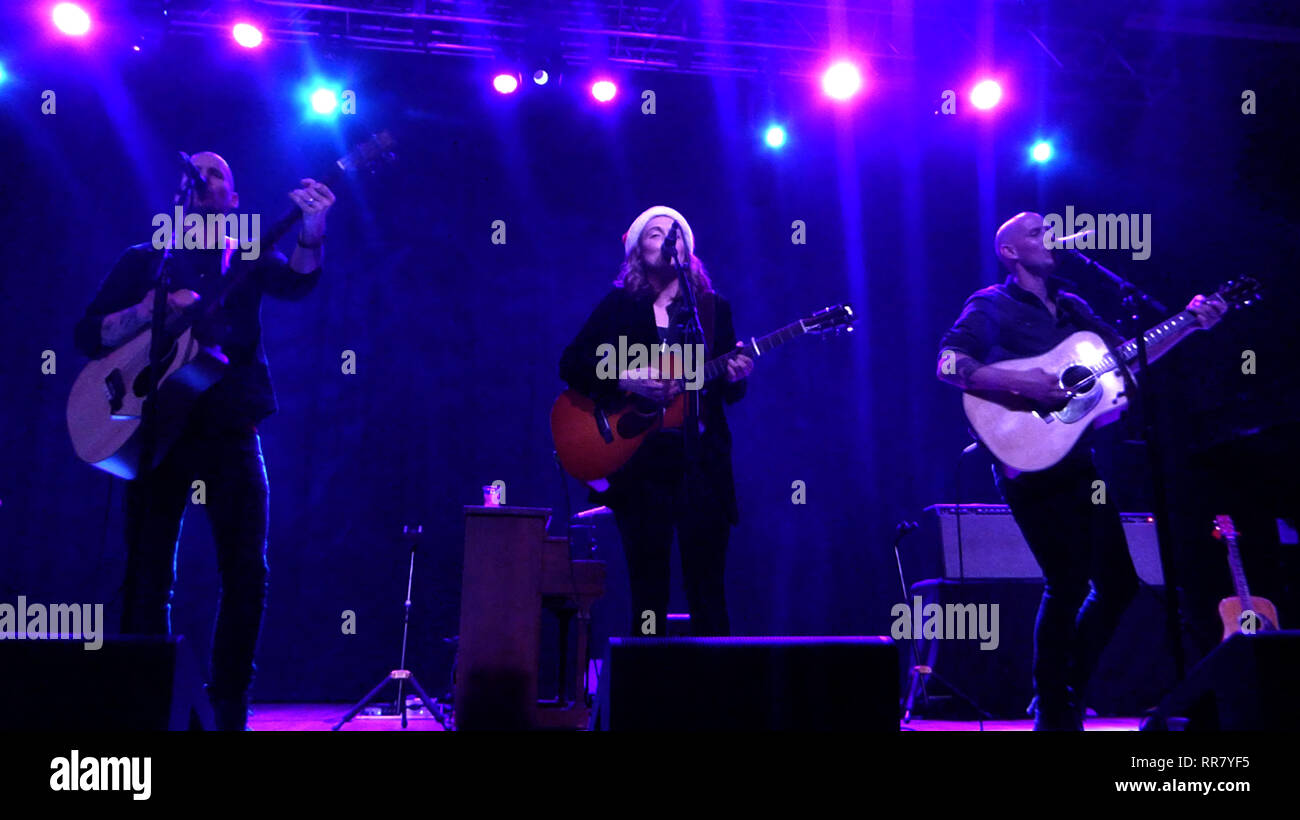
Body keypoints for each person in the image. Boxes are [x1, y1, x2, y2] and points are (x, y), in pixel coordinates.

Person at [73, 151, 334, 730]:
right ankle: (151, 701)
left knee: (245, 570)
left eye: (218, 173)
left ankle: (227, 705)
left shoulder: (246, 255)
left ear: (234, 201)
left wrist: (312, 231)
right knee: (147, 571)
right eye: (196, 173)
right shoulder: (144, 260)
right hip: (153, 429)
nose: (204, 179)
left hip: (230, 427)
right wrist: (148, 309)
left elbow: (297, 282)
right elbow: (87, 334)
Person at [935, 211, 1226, 730]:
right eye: (1036, 232)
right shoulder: (992, 304)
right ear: (1010, 252)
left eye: (1050, 229)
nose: (1049, 237)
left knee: (1119, 585)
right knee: (1067, 582)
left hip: (1078, 460)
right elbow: (949, 364)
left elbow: (1129, 357)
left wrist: (1188, 322)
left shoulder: (1073, 307)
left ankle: (1066, 687)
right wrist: (1026, 386)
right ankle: (1052, 705)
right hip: (1023, 456)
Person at [559, 206, 753, 637]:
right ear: (637, 249)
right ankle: (647, 698)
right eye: (655, 233)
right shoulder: (619, 307)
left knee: (709, 591)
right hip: (642, 467)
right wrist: (627, 377)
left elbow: (724, 392)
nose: (668, 239)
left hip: (702, 464)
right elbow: (571, 363)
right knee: (649, 594)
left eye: (676, 233)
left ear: (687, 250)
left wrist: (737, 377)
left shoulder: (713, 309)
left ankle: (715, 697)